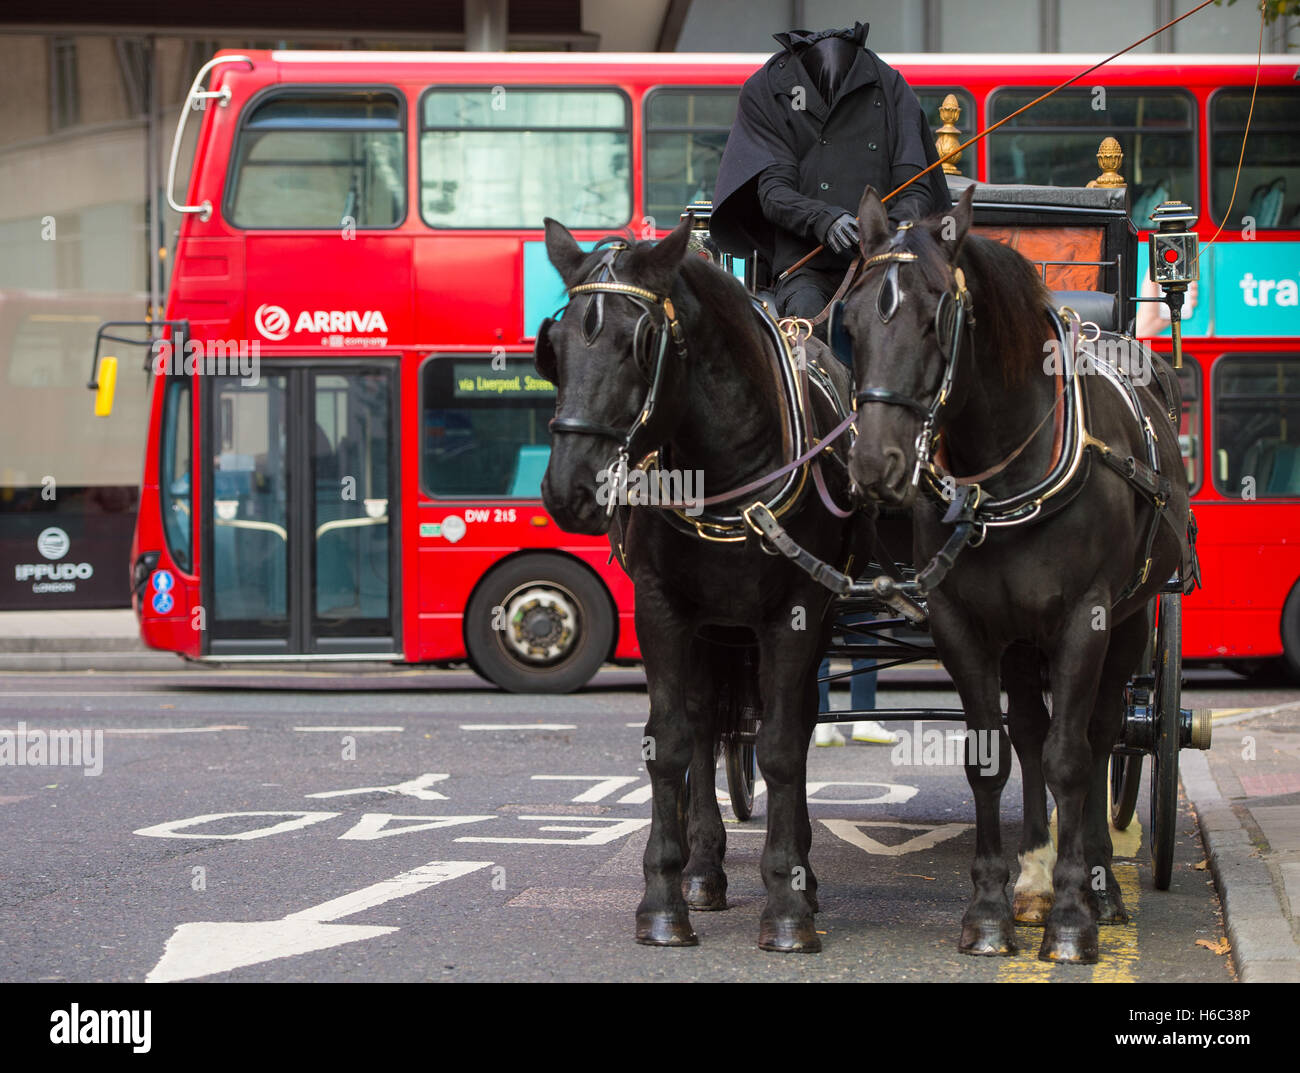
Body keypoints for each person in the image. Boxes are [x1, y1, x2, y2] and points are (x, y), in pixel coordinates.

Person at [711, 21, 951, 327]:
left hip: (884, 261)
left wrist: (879, 231)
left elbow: (916, 189)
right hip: (807, 269)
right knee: (806, 331)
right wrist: (825, 219)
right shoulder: (770, 90)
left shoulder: (890, 85)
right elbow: (773, 192)